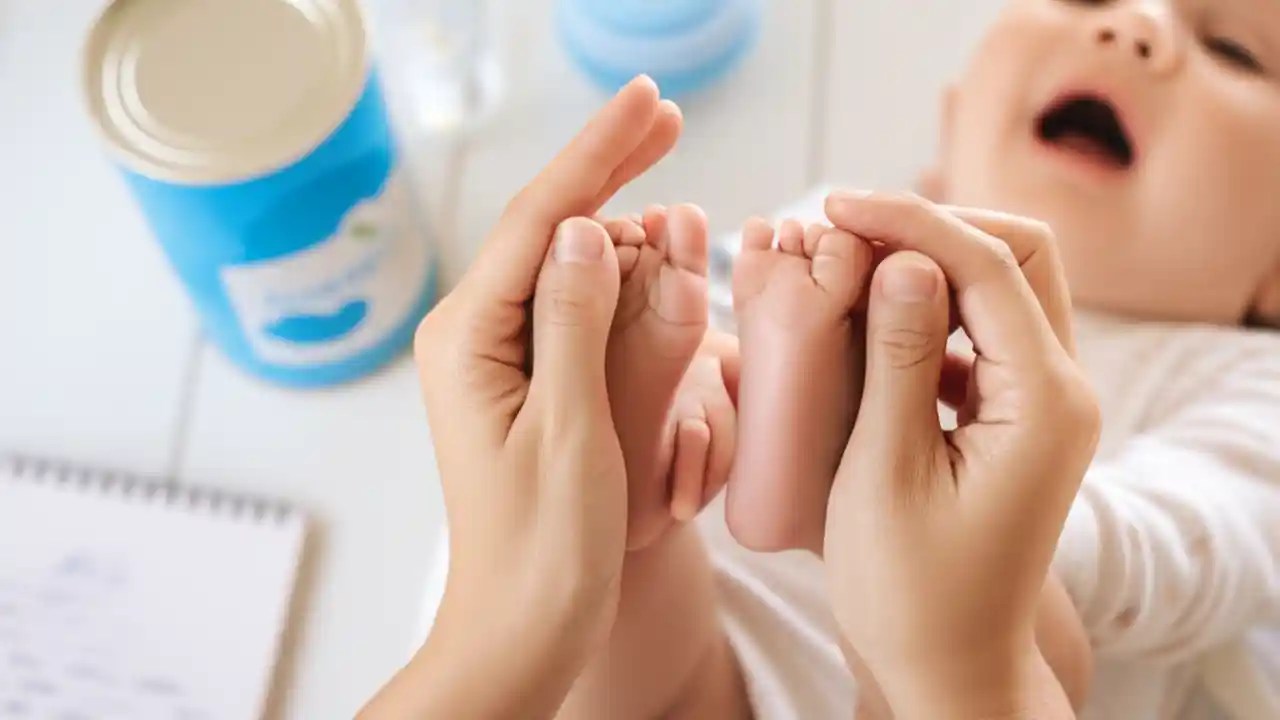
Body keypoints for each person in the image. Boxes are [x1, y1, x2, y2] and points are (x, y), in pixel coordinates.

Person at [358, 76, 1101, 719]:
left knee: (654, 689)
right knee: (1038, 655)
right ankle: (646, 512)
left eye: (1217, 52)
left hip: (555, 638)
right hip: (868, 623)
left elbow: (1163, 542)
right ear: (947, 135)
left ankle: (614, 518)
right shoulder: (842, 246)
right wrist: (981, 662)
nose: (1133, 32)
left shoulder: (1194, 376)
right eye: (1083, 2)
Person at [687, 1, 1280, 718]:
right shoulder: (836, 232)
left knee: (1040, 632)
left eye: (1233, 50)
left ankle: (839, 495)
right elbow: (715, 311)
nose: (1134, 25)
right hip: (693, 651)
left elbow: (1194, 547)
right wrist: (684, 371)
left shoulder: (1245, 379)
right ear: (949, 138)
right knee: (634, 531)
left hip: (943, 690)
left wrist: (1002, 517)